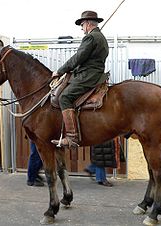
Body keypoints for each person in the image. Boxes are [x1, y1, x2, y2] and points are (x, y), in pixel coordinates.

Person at [51, 10, 109, 148]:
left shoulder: (90, 38)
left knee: (64, 97)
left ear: (88, 24)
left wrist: (60, 71)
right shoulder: (101, 37)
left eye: (82, 25)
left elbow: (78, 58)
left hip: (88, 75)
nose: (82, 29)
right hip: (95, 73)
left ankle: (72, 136)